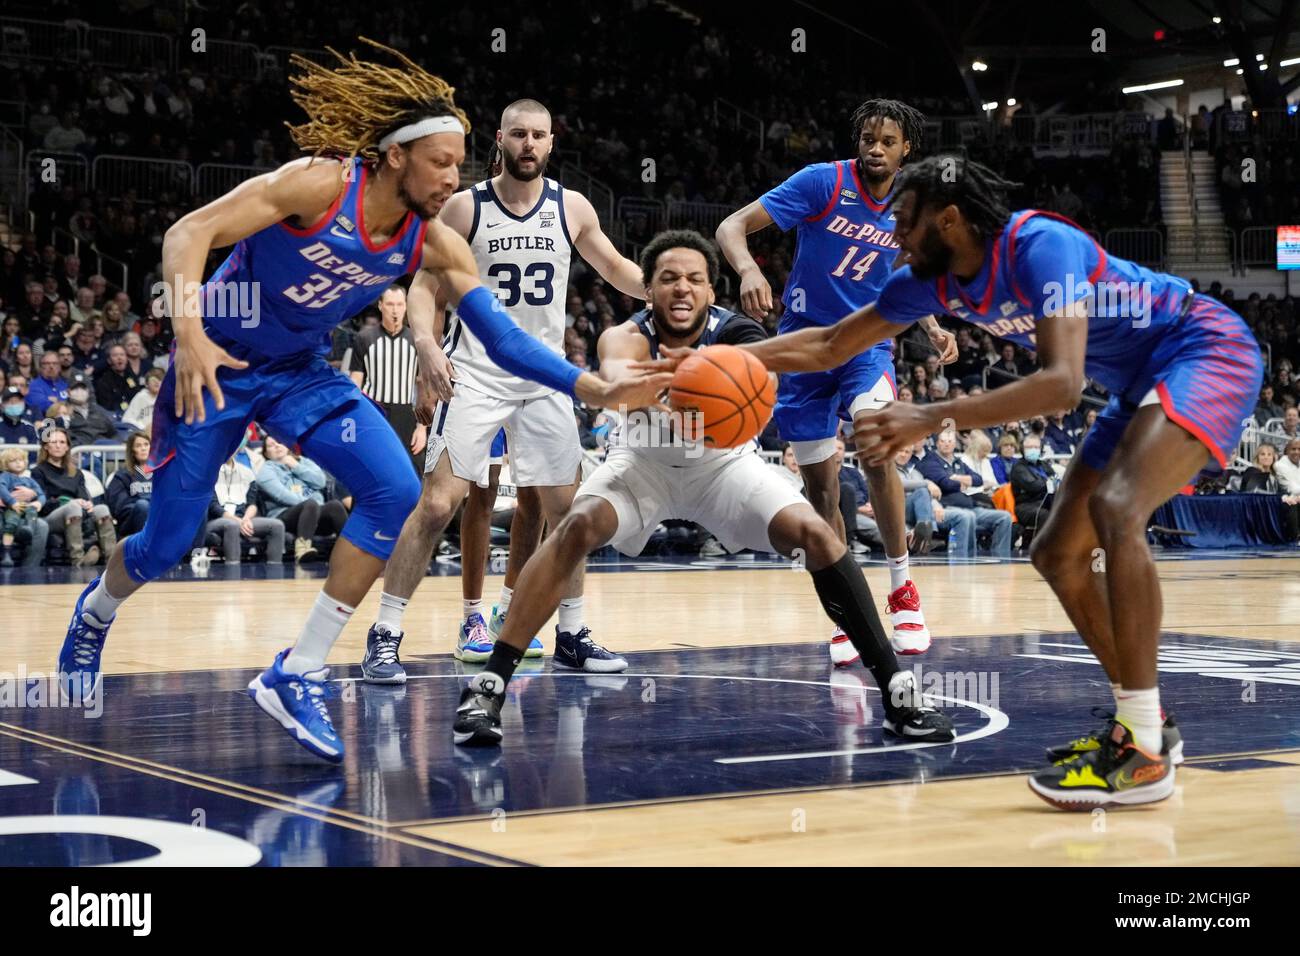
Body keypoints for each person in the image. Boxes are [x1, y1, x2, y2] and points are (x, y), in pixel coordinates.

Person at [54, 40, 666, 763]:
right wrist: (186, 335)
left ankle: (299, 668)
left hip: (299, 370)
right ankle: (95, 612)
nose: (455, 179)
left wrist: (584, 383)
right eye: (442, 162)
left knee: (398, 491)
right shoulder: (319, 184)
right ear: (396, 156)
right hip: (216, 363)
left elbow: (502, 338)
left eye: (461, 164)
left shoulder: (434, 242)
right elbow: (191, 232)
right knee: (167, 543)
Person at [727, 155, 1264, 809]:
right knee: (1056, 552)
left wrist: (928, 414)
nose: (893, 233)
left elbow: (1063, 387)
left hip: (1201, 348)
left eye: (904, 218)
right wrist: (715, 357)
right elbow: (829, 345)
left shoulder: (1042, 245)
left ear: (948, 220)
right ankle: (1146, 723)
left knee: (1119, 509)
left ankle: (1144, 749)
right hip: (1135, 386)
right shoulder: (928, 282)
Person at [453, 230, 953, 746]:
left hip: (723, 468)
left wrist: (712, 376)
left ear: (712, 291)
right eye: (668, 279)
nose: (682, 288)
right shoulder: (625, 335)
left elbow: (797, 359)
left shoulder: (737, 332)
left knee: (818, 534)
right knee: (575, 526)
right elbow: (617, 374)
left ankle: (896, 690)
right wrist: (664, 385)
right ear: (648, 290)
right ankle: (489, 686)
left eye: (694, 278)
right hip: (642, 463)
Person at [367, 97, 655, 682]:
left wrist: (674, 291)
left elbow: (617, 267)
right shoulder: (463, 207)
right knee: (439, 504)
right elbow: (424, 288)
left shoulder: (570, 207)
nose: (529, 144)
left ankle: (572, 631)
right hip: (472, 371)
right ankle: (385, 634)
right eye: (518, 134)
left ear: (552, 142)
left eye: (539, 136)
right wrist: (425, 347)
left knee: (568, 510)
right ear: (499, 139)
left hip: (544, 375)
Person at [715, 98, 955, 662]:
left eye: (887, 141)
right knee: (823, 491)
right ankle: (847, 607)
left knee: (876, 442)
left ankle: (901, 586)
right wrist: (749, 267)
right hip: (802, 349)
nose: (875, 147)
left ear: (905, 150)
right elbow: (732, 227)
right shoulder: (822, 183)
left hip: (867, 342)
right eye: (867, 138)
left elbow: (907, 270)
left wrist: (932, 324)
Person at [348, 284, 425, 478]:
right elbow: (355, 382)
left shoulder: (416, 340)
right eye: (390, 304)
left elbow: (424, 384)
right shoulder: (364, 338)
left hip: (406, 414)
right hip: (375, 412)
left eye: (399, 304)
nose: (395, 309)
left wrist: (422, 427)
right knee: (372, 471)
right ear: (380, 305)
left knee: (414, 473)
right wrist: (357, 420)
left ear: (406, 306)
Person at [916, 429, 1013, 558]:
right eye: (943, 441)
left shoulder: (958, 462)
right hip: (946, 508)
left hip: (970, 506)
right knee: (966, 516)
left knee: (1005, 517)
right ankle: (962, 560)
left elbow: (978, 479)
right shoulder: (930, 461)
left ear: (955, 444)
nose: (946, 444)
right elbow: (946, 483)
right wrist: (962, 481)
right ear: (937, 444)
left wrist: (956, 477)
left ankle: (1001, 558)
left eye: (950, 441)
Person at [34, 426, 115, 566]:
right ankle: (78, 559)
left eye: (62, 442)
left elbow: (83, 496)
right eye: (54, 442)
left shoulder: (76, 473)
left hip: (78, 511)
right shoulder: (38, 472)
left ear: (67, 447)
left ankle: (112, 560)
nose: (58, 446)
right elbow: (43, 504)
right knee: (73, 507)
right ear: (46, 447)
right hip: (51, 517)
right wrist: (67, 502)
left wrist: (87, 504)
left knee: (101, 509)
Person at [209, 451, 285, 565]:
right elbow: (213, 507)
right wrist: (238, 521)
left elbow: (252, 504)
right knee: (232, 525)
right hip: (216, 520)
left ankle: (275, 571)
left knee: (277, 525)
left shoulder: (247, 473)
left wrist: (245, 519)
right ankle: (233, 572)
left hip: (243, 518)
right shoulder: (209, 473)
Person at [0, 446, 45, 566]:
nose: (18, 463)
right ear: (5, 463)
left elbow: (40, 493)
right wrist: (12, 502)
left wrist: (39, 502)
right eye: (13, 461)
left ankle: (29, 528)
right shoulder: (5, 476)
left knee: (32, 511)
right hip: (13, 507)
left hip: (27, 507)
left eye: (20, 460)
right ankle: (7, 554)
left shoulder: (29, 480)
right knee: (11, 523)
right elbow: (1, 488)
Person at [1010, 433, 1055, 544]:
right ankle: (1042, 547)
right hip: (1025, 505)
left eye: (1036, 447)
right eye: (1029, 447)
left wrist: (1047, 483)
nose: (1033, 450)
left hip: (1045, 502)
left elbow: (1055, 480)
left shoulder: (1044, 465)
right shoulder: (1018, 467)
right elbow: (1033, 486)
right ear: (1022, 449)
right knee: (1045, 514)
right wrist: (1047, 482)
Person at [105, 431, 152, 536]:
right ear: (132, 451)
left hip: (158, 516)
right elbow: (119, 507)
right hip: (132, 522)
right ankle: (142, 550)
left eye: (146, 444)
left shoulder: (161, 473)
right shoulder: (122, 476)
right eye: (138, 446)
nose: (143, 448)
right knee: (143, 506)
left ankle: (192, 551)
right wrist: (144, 502)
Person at [64, 373, 118, 447]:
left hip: (102, 452)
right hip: (79, 452)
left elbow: (114, 434)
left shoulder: (99, 411)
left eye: (83, 388)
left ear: (88, 392)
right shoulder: (62, 411)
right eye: (75, 388)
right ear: (68, 392)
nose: (80, 391)